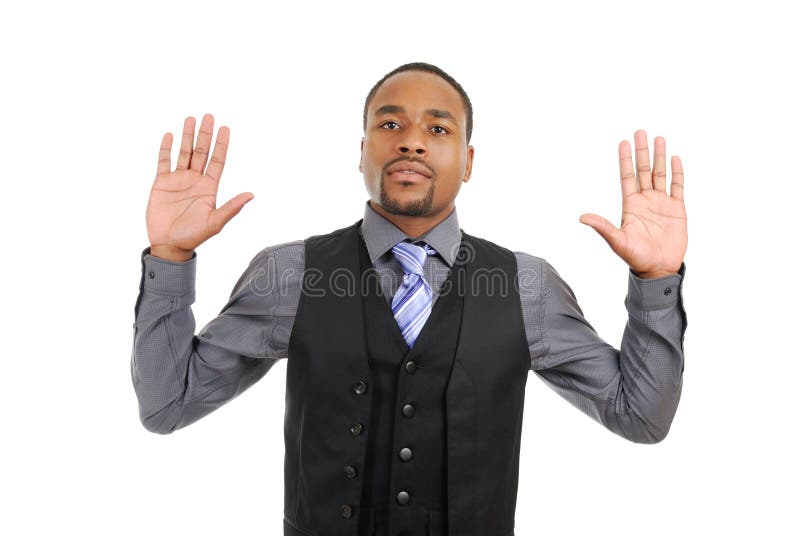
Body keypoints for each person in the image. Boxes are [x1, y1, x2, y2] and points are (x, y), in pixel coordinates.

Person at [131, 62, 687, 536]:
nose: (412, 140)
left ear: (468, 162)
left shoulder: (527, 285)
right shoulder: (288, 273)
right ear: (362, 150)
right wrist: (170, 259)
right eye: (389, 122)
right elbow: (168, 405)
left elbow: (640, 416)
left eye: (439, 129)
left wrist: (656, 279)